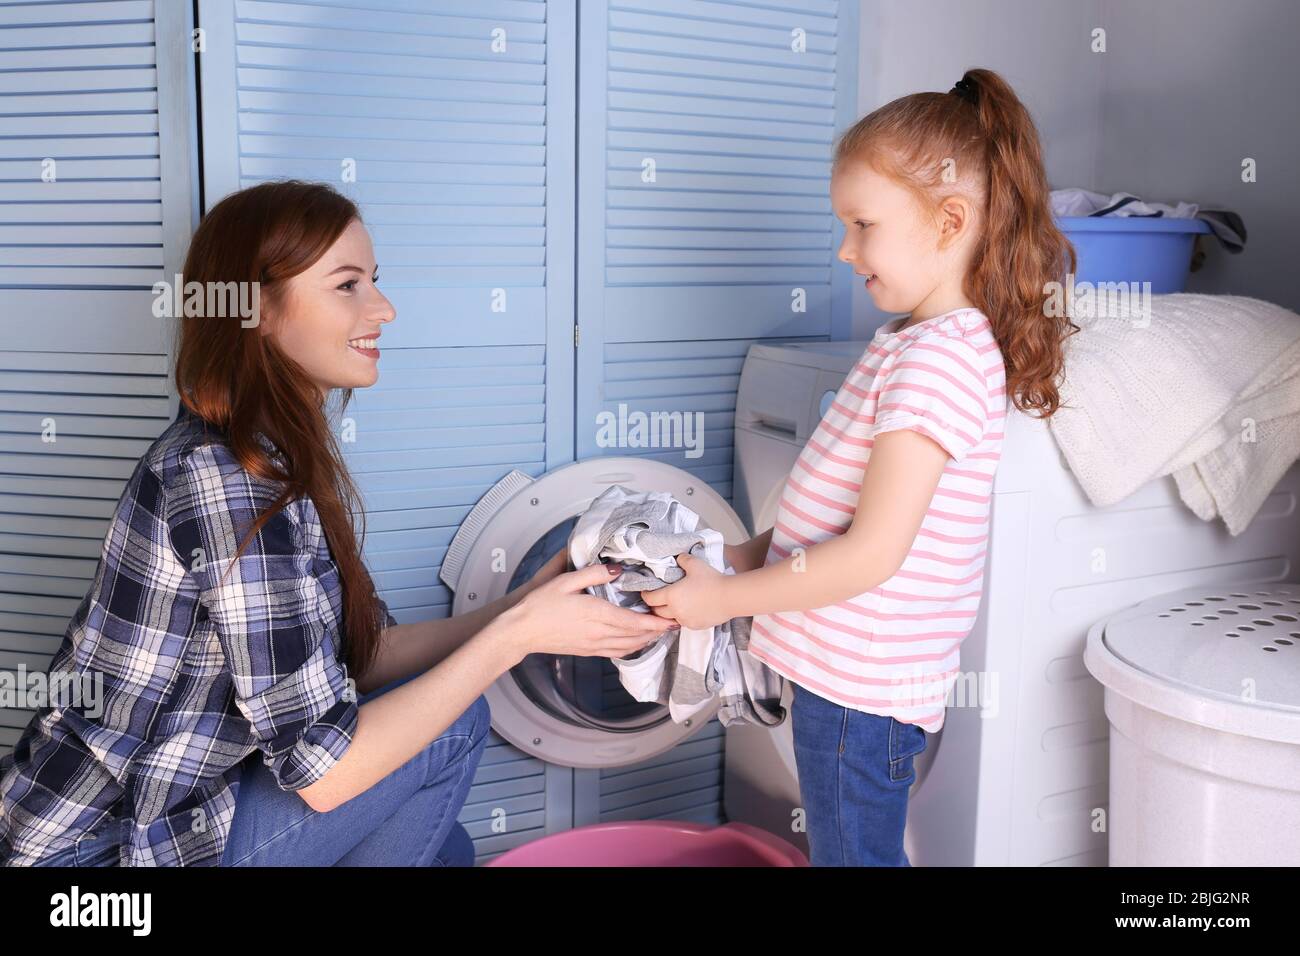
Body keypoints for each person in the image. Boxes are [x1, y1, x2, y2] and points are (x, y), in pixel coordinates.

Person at [0, 180, 667, 867]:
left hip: (190, 806)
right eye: (347, 286)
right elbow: (324, 775)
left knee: (449, 851)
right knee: (457, 726)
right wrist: (512, 640)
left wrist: (517, 611)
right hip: (98, 858)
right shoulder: (227, 480)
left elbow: (362, 655)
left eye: (373, 281)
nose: (383, 308)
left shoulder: (268, 454)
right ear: (255, 309)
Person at [643, 69, 1079, 866]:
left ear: (949, 221)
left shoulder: (939, 363)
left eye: (862, 224)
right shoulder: (909, 343)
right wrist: (742, 555)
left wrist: (725, 599)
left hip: (860, 694)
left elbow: (874, 552)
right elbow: (835, 504)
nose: (845, 249)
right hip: (847, 683)